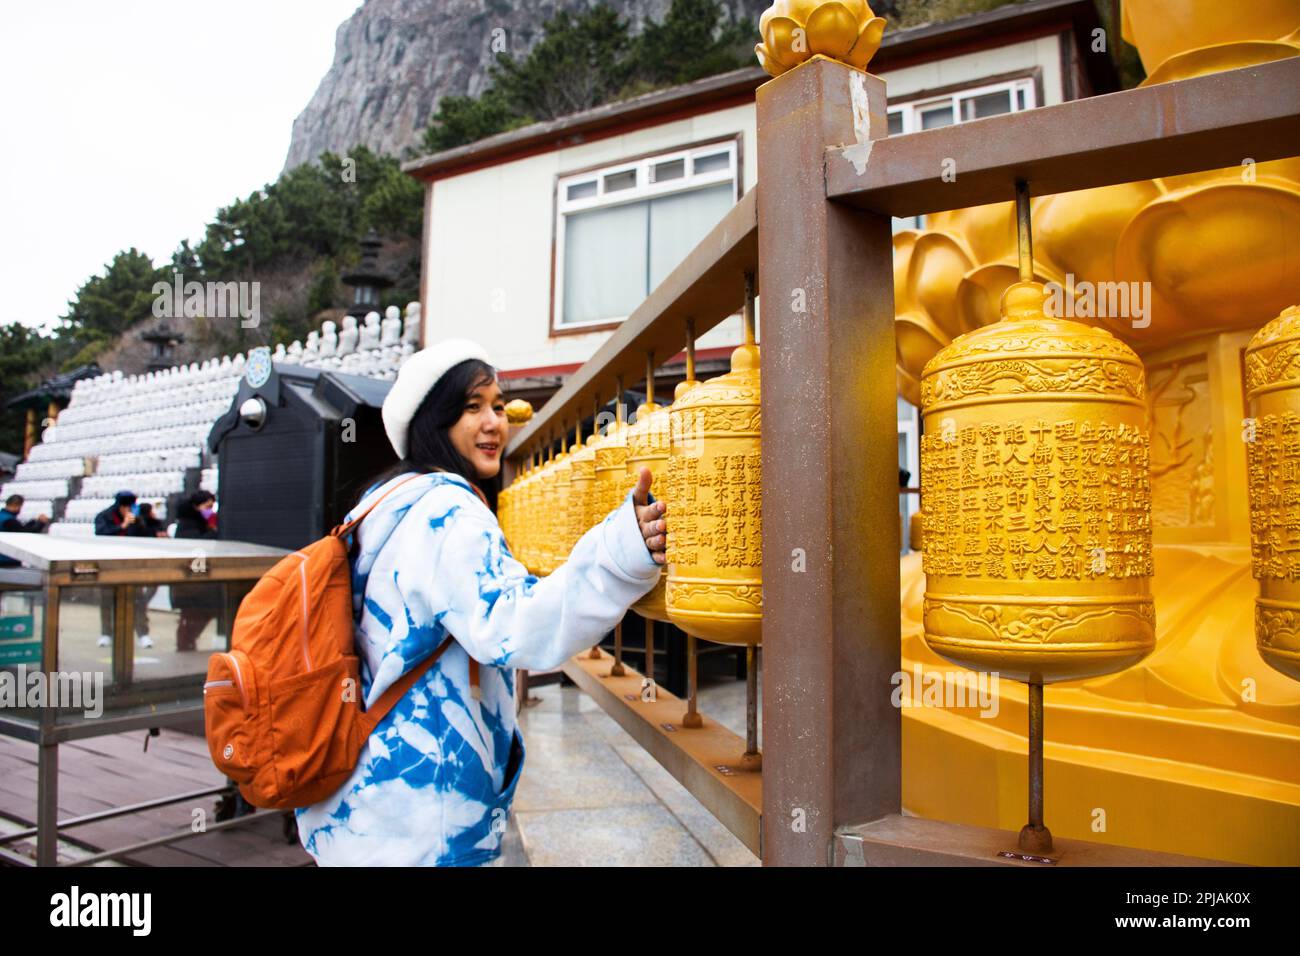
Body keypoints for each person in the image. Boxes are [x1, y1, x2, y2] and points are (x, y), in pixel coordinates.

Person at [295, 338, 668, 867]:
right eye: (472, 408)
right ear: (433, 421)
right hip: (427, 814)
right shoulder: (445, 509)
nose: (494, 422)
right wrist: (621, 550)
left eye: (497, 405)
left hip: (369, 802)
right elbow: (517, 626)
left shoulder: (383, 504)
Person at [94, 491, 153, 649]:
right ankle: (106, 633)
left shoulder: (137, 518)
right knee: (106, 600)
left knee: (138, 601)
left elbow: (146, 537)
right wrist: (122, 526)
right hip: (109, 566)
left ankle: (143, 633)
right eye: (128, 506)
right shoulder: (103, 517)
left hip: (132, 566)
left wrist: (139, 524)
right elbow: (100, 534)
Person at [171, 491, 219, 651]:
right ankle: (185, 645)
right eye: (207, 507)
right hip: (190, 582)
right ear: (196, 506)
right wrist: (212, 531)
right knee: (192, 616)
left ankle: (187, 644)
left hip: (201, 583)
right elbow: (196, 546)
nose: (210, 510)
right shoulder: (187, 525)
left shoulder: (202, 524)